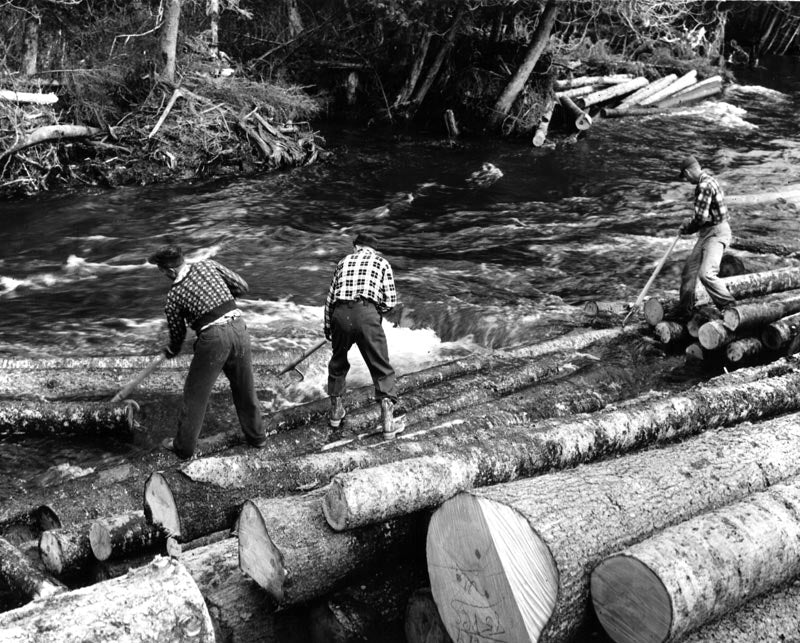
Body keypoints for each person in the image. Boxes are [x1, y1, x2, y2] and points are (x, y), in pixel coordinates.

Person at [148, 245, 266, 459]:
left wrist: (171, 350)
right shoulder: (209, 265)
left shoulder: (174, 295)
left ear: (171, 271)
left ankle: (183, 448)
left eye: (162, 271)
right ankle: (257, 437)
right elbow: (242, 286)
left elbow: (178, 334)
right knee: (244, 387)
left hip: (214, 339)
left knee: (195, 395)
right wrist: (222, 302)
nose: (163, 275)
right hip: (239, 327)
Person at [324, 232, 400, 438]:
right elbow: (391, 301)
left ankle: (336, 412)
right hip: (366, 313)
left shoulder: (343, 261)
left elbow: (330, 299)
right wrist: (373, 312)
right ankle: (387, 423)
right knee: (380, 366)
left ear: (356, 247)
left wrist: (328, 327)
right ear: (373, 250)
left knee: (338, 362)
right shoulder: (381, 263)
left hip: (340, 314)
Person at [677, 155, 736, 318]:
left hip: (716, 233)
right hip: (707, 233)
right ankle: (683, 310)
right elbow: (705, 215)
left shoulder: (704, 185)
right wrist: (690, 223)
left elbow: (700, 218)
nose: (687, 180)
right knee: (690, 271)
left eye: (685, 177)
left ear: (688, 172)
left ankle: (729, 307)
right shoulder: (709, 180)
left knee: (706, 274)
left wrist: (688, 228)